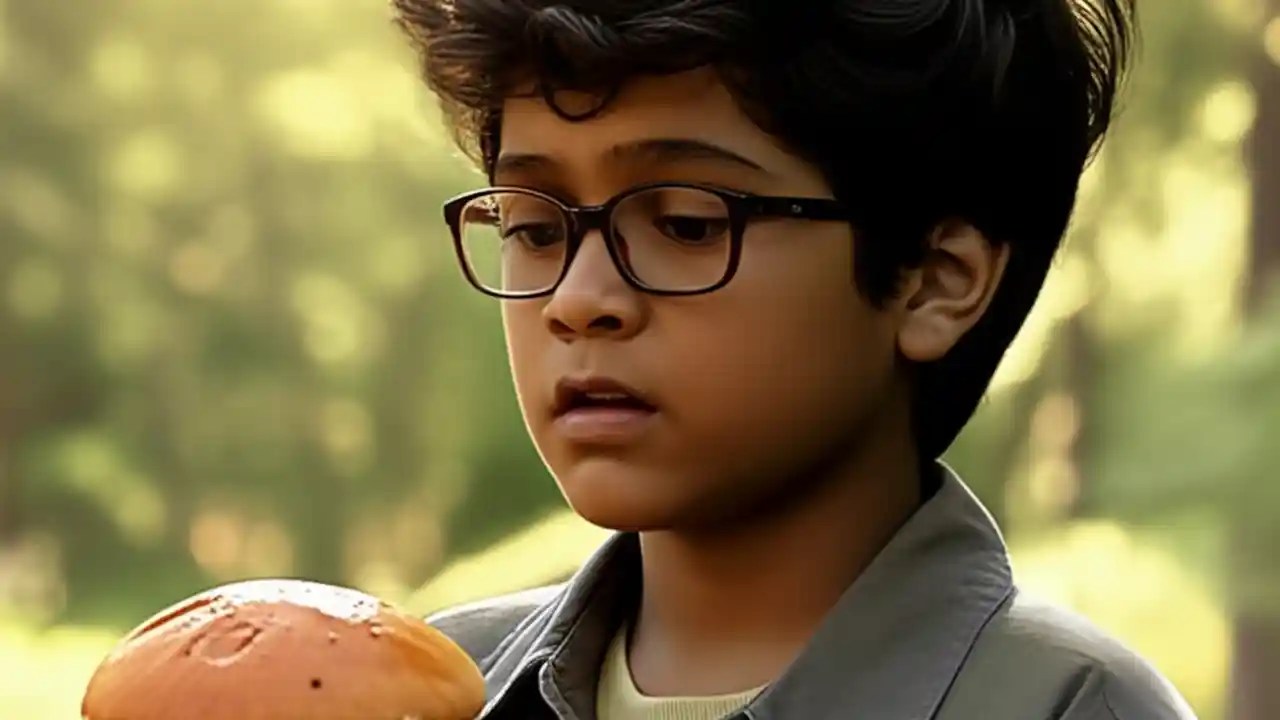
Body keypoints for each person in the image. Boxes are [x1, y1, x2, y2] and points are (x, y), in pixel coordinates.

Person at [392, 1, 1197, 718]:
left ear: (934, 283)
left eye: (687, 223)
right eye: (536, 229)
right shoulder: (432, 692)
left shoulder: (1068, 704)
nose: (577, 298)